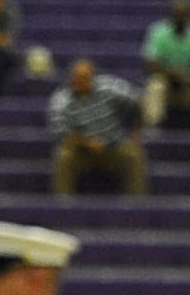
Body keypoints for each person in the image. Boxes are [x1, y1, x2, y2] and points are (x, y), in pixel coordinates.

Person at [49, 56, 145, 197]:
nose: (80, 82)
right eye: (77, 78)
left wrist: (137, 132)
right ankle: (63, 202)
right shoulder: (62, 100)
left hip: (113, 147)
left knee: (133, 154)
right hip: (82, 152)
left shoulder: (109, 88)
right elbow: (62, 134)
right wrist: (87, 143)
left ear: (92, 77)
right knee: (64, 155)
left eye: (84, 78)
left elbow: (139, 101)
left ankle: (137, 203)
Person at [140, 0, 190, 131]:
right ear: (171, 15)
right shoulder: (158, 32)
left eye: (183, 15)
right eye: (177, 14)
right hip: (166, 80)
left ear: (189, 16)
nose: (180, 18)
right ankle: (152, 128)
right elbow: (152, 63)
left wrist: (186, 78)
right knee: (155, 85)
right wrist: (172, 75)